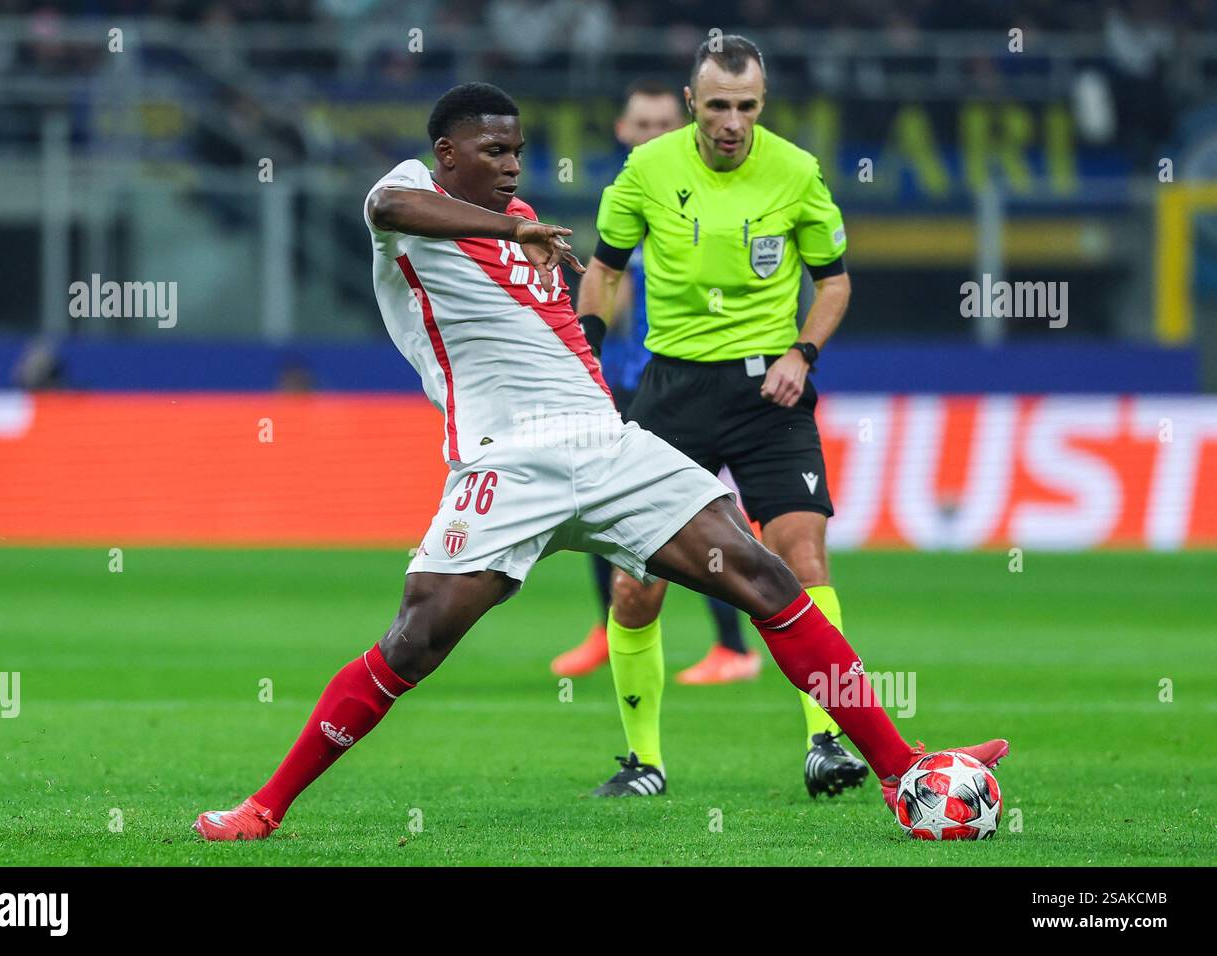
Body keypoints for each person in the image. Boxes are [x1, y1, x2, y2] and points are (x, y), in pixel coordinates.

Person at [192, 81, 1007, 841]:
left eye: (517, 152)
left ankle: (903, 773)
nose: (511, 165)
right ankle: (263, 810)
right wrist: (510, 227)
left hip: (606, 446)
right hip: (505, 464)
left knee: (768, 580)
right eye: (491, 152)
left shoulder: (530, 222)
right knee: (415, 641)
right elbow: (386, 203)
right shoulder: (416, 202)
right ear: (447, 154)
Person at [577, 35, 873, 800]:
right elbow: (604, 270)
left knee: (802, 556)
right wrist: (589, 350)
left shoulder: (797, 172)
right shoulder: (647, 170)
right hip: (672, 392)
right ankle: (644, 762)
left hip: (768, 393)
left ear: (762, 105)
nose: (732, 122)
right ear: (691, 104)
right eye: (717, 106)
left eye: (745, 107)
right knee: (635, 584)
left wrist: (803, 352)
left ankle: (826, 743)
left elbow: (834, 283)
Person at [550, 77, 753, 686]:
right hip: (618, 381)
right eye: (642, 125)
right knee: (599, 508)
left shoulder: (705, 201)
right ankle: (610, 626)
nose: (652, 135)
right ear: (622, 131)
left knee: (694, 513)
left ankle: (732, 645)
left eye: (665, 125)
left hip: (678, 381)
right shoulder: (628, 196)